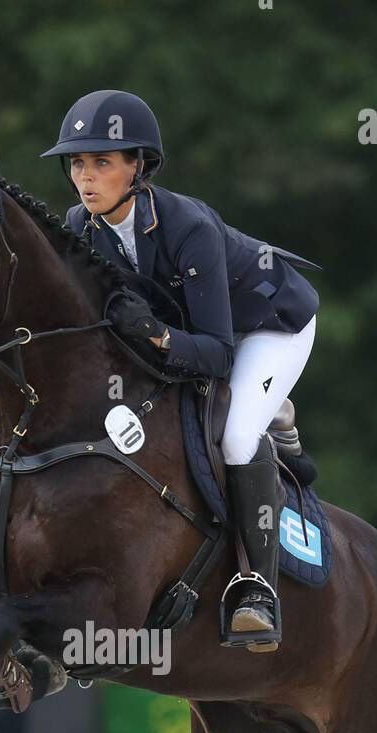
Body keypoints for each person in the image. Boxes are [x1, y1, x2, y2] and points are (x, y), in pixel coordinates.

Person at [41, 89, 319, 653]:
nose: (85, 178)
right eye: (77, 163)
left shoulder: (187, 226)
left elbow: (216, 354)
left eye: (101, 162)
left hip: (268, 325)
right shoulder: (79, 226)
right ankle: (272, 411)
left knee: (238, 435)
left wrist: (157, 335)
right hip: (199, 328)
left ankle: (256, 588)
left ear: (137, 167)